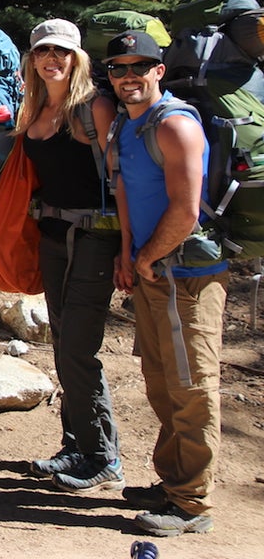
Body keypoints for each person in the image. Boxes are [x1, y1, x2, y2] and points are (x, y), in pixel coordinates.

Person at [107, 30, 228, 538]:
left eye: (140, 66)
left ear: (159, 70)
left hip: (186, 278)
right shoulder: (128, 124)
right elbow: (128, 194)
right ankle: (173, 481)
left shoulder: (174, 124)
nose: (129, 75)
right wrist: (128, 253)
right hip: (153, 269)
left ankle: (191, 504)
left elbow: (185, 210)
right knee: (161, 381)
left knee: (192, 386)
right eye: (119, 68)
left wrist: (148, 257)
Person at [14, 19, 123, 492]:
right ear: (33, 60)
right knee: (63, 345)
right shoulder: (35, 109)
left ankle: (103, 456)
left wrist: (128, 248)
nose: (51, 59)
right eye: (43, 52)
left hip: (96, 239)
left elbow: (119, 181)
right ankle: (76, 446)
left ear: (77, 58)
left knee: (79, 348)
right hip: (54, 237)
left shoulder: (92, 107)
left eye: (61, 52)